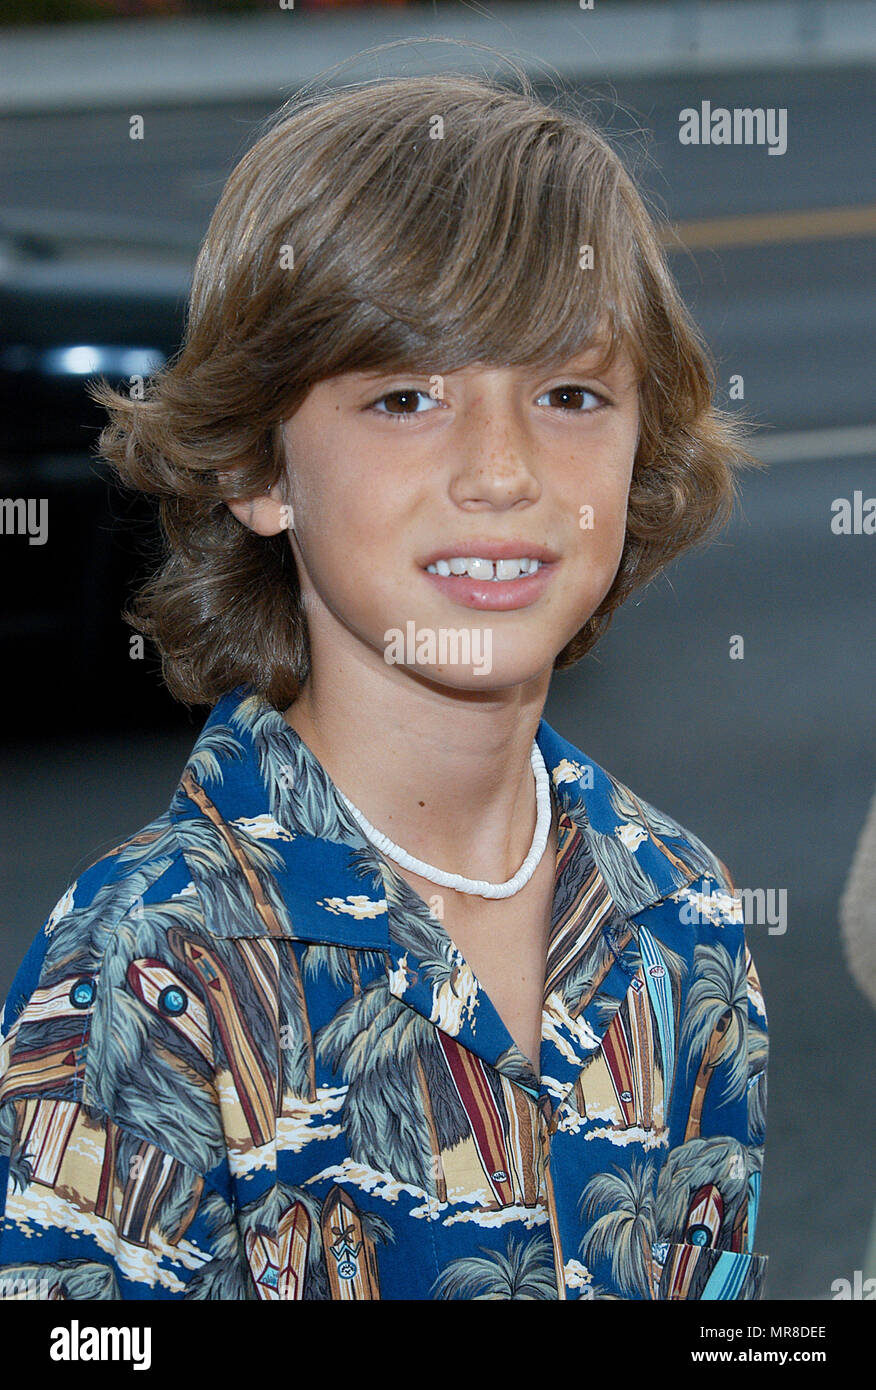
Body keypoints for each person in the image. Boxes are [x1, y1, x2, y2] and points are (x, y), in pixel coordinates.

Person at [0, 63, 769, 1301]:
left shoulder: (685, 912)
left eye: (570, 394)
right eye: (405, 397)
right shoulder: (145, 970)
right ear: (260, 469)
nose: (502, 469)